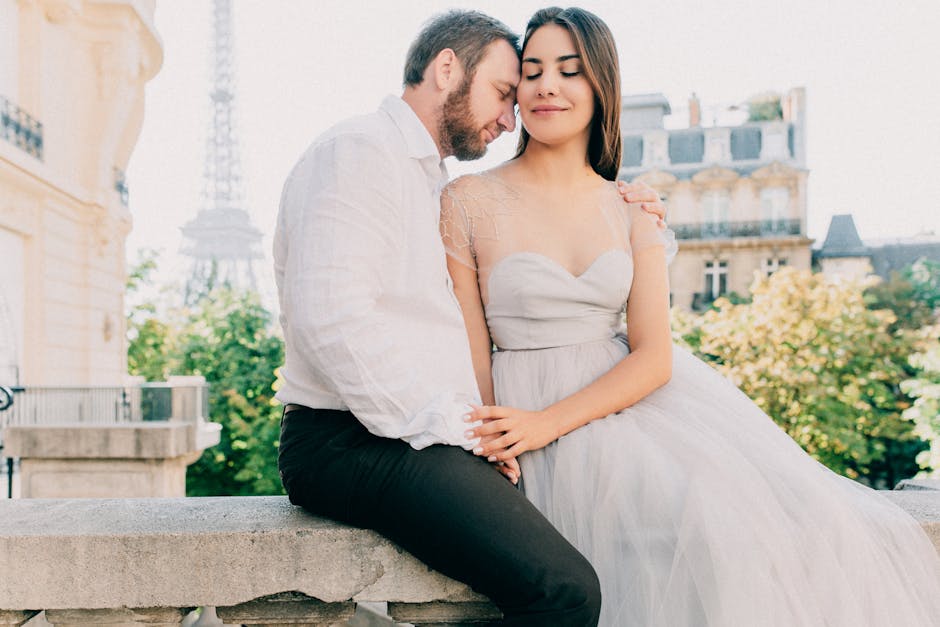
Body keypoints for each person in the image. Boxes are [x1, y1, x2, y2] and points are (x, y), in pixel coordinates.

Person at [442, 7, 940, 626]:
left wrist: (550, 423)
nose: (547, 85)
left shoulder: (632, 208)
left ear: (601, 89)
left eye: (569, 71)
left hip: (619, 409)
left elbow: (655, 355)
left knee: (735, 526)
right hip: (518, 419)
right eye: (533, 69)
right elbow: (467, 346)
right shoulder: (466, 199)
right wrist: (498, 444)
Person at [273, 9, 665, 625]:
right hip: (346, 438)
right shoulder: (359, 152)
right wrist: (452, 428)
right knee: (564, 589)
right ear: (447, 68)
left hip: (396, 431)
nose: (513, 117)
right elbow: (332, 320)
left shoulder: (424, 177)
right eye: (505, 92)